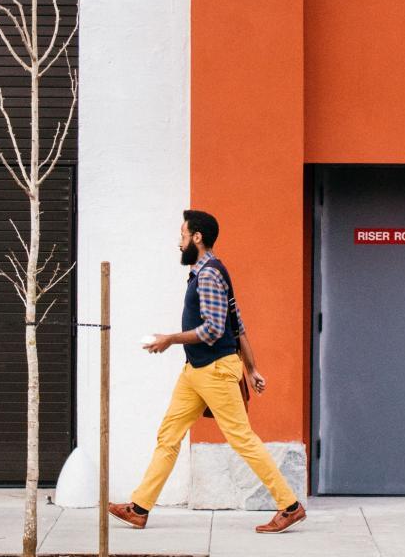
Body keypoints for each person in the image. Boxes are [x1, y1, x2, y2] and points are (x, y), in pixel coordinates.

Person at [108, 209, 306, 534]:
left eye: (183, 235)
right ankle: (140, 507)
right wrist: (252, 368)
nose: (179, 242)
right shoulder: (206, 272)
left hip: (214, 370)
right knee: (168, 436)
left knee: (242, 439)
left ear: (197, 237)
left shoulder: (210, 274)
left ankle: (289, 505)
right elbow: (236, 322)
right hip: (196, 371)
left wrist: (170, 339)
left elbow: (215, 329)